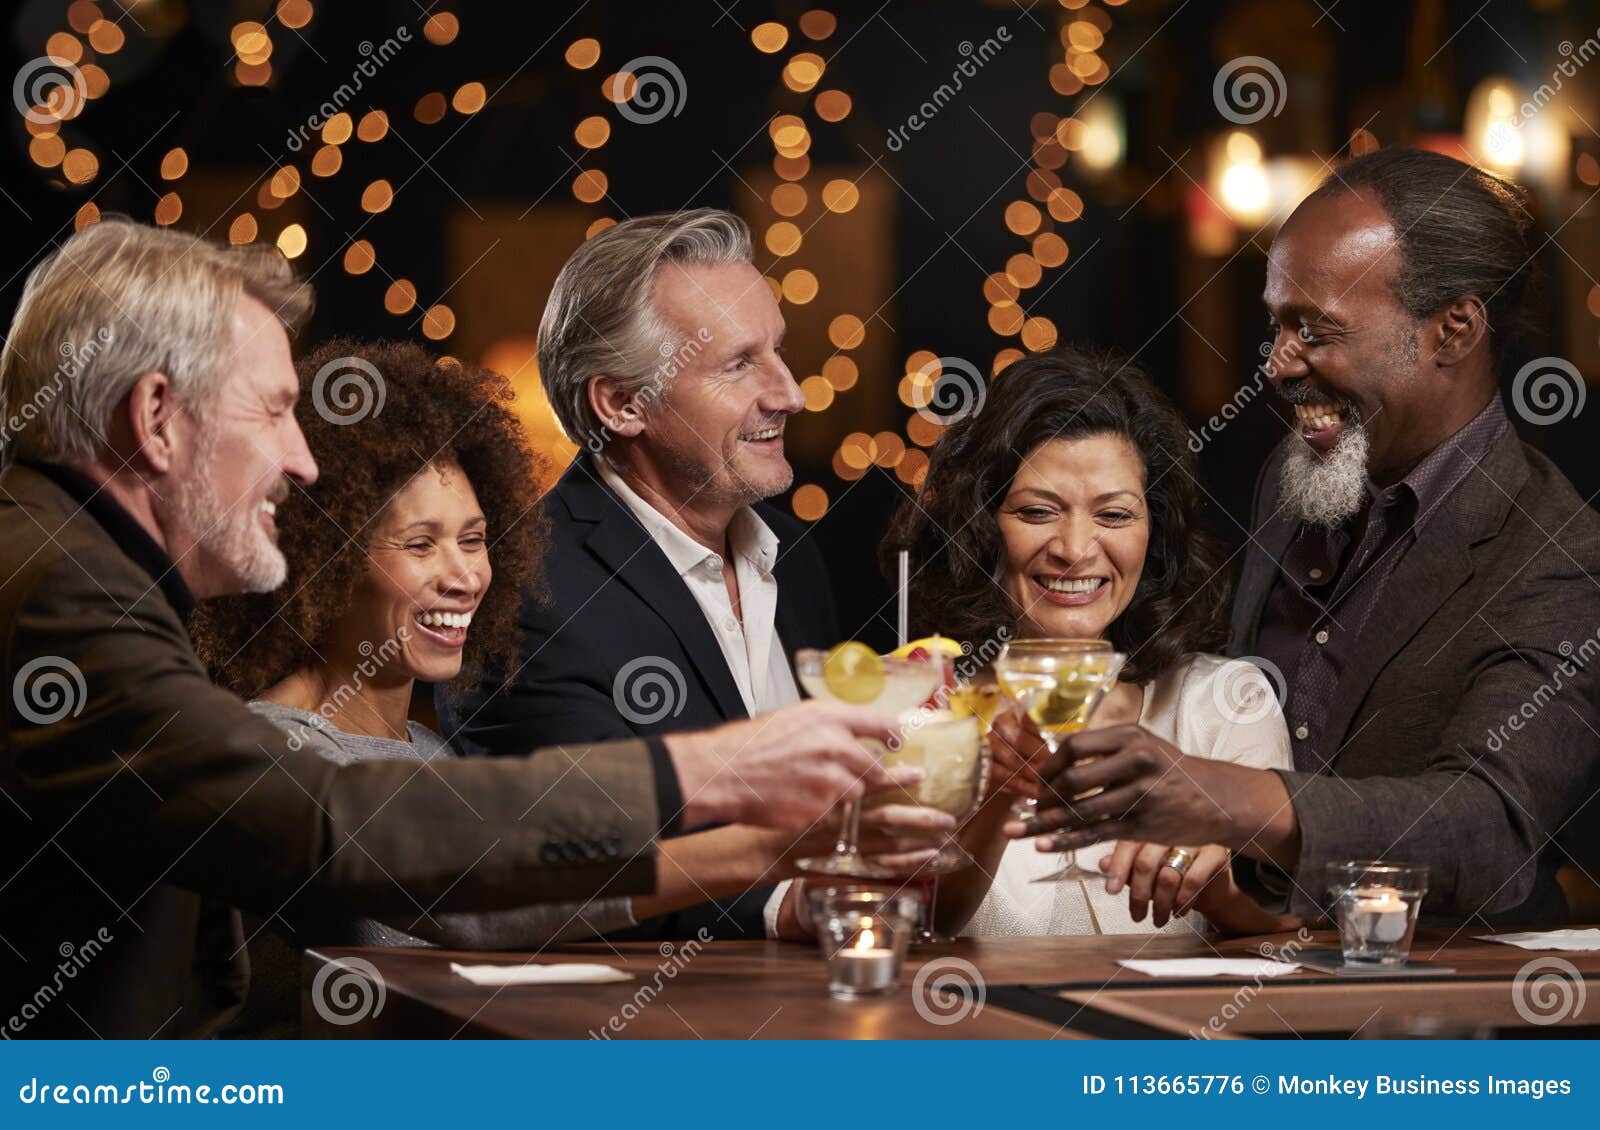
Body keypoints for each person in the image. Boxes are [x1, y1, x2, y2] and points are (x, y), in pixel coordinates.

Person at [0, 219, 920, 1038]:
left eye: (475, 539)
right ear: (157, 418)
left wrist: (768, 845)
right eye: (273, 410)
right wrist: (715, 769)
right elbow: (340, 824)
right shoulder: (58, 590)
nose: (302, 458)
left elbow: (472, 887)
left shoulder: (67, 562)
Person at [1017, 148, 1600, 927]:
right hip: (1247, 973)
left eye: (1314, 330)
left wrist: (1226, 799)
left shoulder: (1561, 554)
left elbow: (1488, 827)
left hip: (1445, 990)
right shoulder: (1296, 477)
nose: (1279, 364)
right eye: (1277, 325)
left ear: (1454, 330)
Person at [438, 209, 838, 940]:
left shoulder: (797, 556)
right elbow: (571, 858)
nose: (790, 393)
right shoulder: (522, 588)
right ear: (623, 405)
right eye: (739, 364)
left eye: (778, 351)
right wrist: (788, 905)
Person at [884, 348, 1297, 937]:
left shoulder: (1225, 703)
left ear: (1153, 533)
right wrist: (997, 799)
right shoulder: (905, 701)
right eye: (1036, 512)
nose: (1075, 550)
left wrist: (1218, 894)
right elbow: (885, 925)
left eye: (1114, 516)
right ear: (982, 526)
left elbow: (1289, 935)